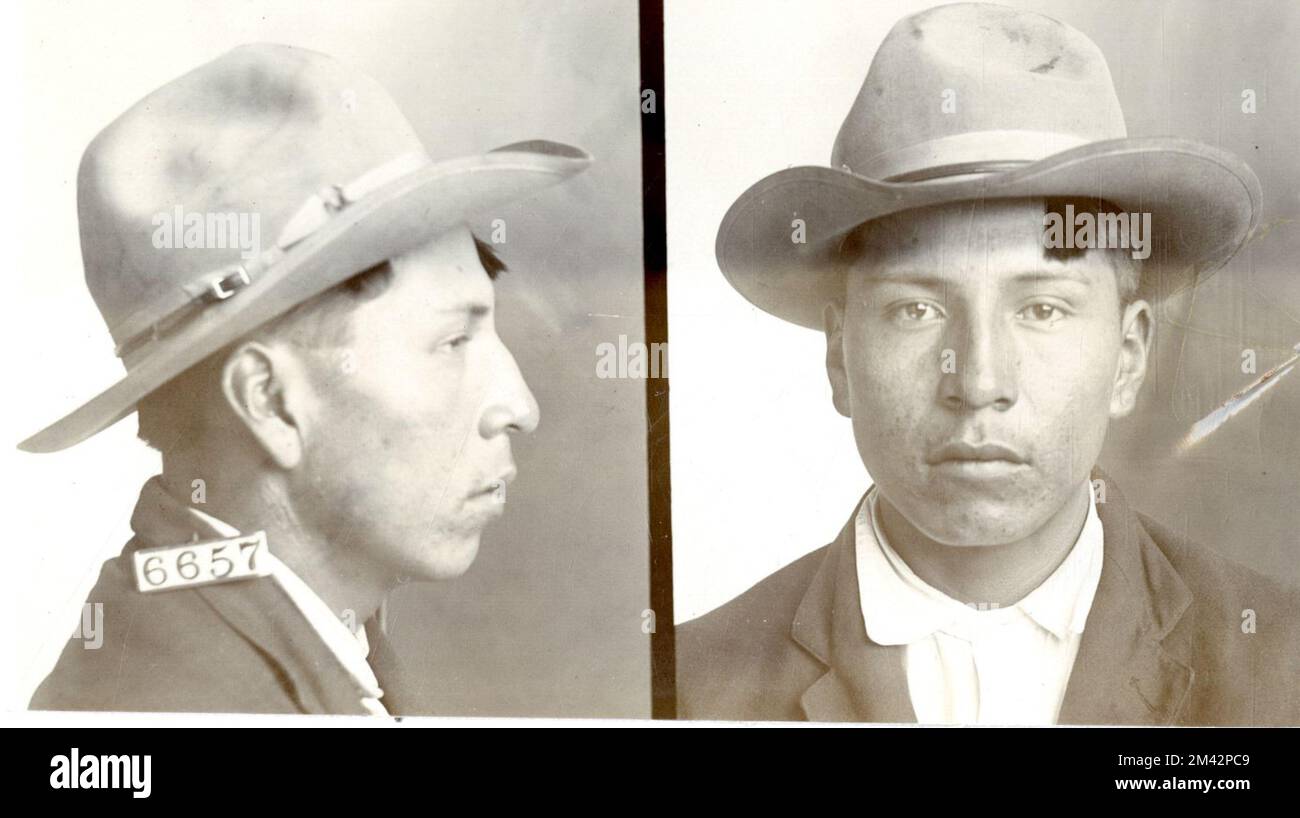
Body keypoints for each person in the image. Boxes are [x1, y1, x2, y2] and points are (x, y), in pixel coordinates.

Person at [677, 2, 1299, 724]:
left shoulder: (1281, 666)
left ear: (1128, 356)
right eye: (917, 309)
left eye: (1042, 308)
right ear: (840, 357)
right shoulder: (690, 688)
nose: (978, 382)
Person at [24, 43, 589, 714]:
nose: (519, 406)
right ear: (271, 403)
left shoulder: (309, 637)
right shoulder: (163, 702)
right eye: (452, 340)